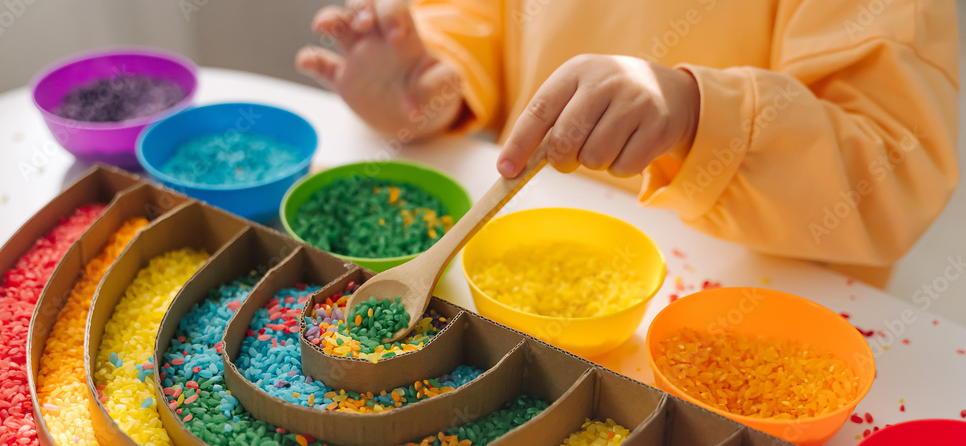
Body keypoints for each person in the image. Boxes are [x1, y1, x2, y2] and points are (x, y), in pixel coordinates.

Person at [296, 0, 959, 285]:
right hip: (537, 270)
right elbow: (486, 22)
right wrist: (430, 81)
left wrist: (699, 117)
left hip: (752, 313)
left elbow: (891, 167)